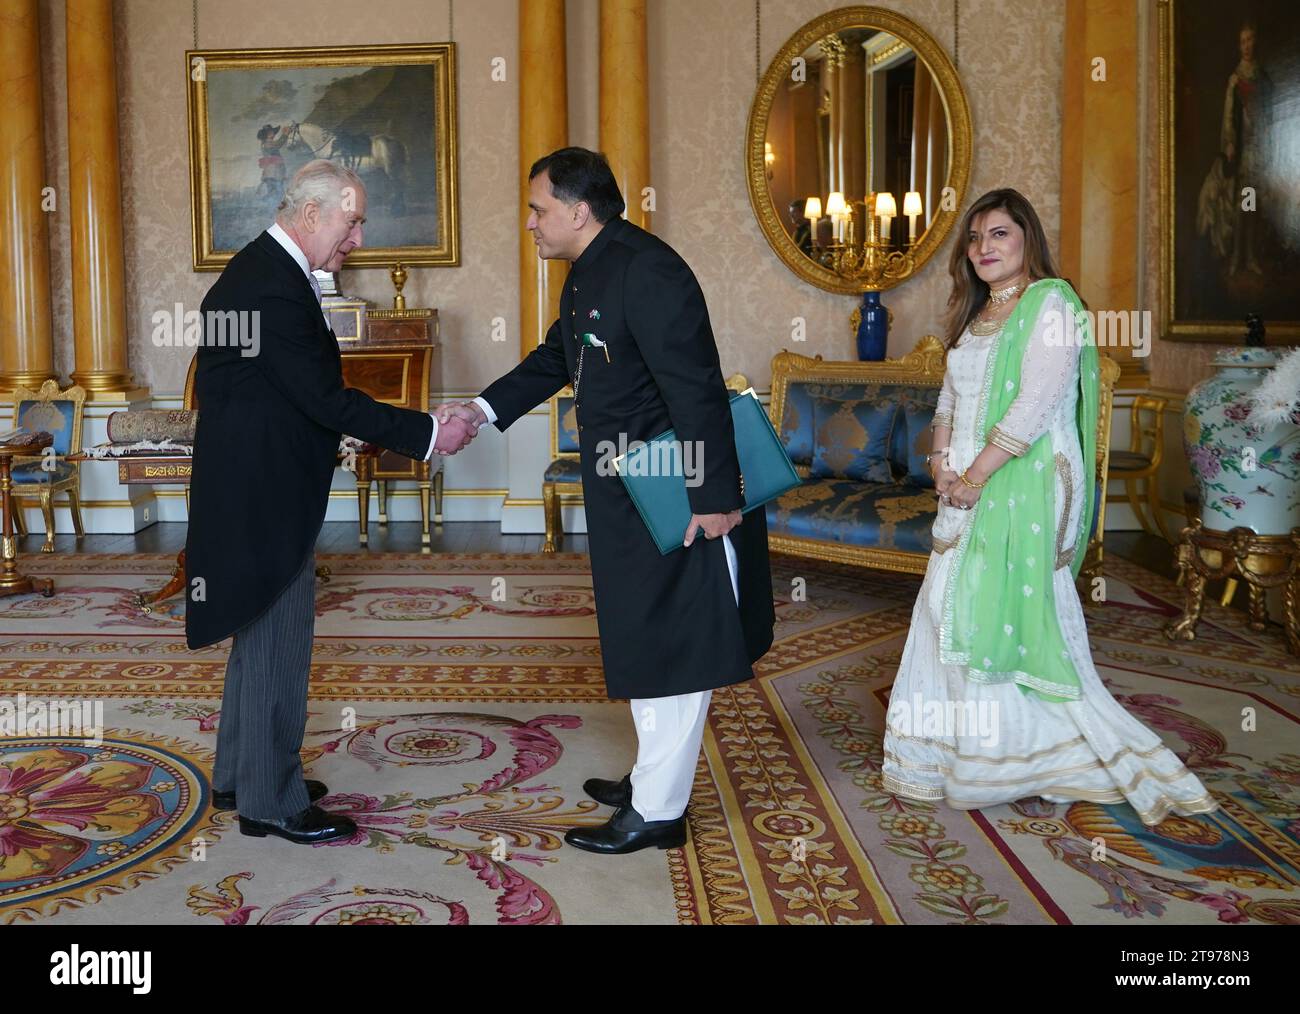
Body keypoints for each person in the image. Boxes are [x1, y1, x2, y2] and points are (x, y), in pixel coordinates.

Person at [439, 147, 775, 854]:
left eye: (538, 209)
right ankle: (652, 779)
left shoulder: (648, 269)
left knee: (682, 641)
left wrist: (712, 499)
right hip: (626, 489)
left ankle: (657, 812)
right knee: (646, 631)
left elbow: (696, 387)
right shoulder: (590, 272)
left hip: (675, 488)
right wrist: (477, 410)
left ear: (578, 210)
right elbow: (559, 359)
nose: (529, 223)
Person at [881, 188, 1216, 827]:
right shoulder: (975, 316)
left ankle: (1027, 751)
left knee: (999, 597)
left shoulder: (1053, 304)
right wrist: (941, 462)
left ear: (1027, 239)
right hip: (966, 477)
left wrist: (977, 475)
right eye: (976, 238)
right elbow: (949, 398)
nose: (984, 248)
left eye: (999, 234)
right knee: (948, 598)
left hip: (1023, 476)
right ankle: (953, 744)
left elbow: (1036, 403)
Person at [185, 159, 477, 845]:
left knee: (256, 638)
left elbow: (288, 394)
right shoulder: (272, 288)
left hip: (250, 483)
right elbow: (322, 399)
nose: (357, 237)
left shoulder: (262, 272)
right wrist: (429, 431)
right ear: (313, 213)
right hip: (264, 492)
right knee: (278, 643)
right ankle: (271, 802)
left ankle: (241, 774)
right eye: (352, 221)